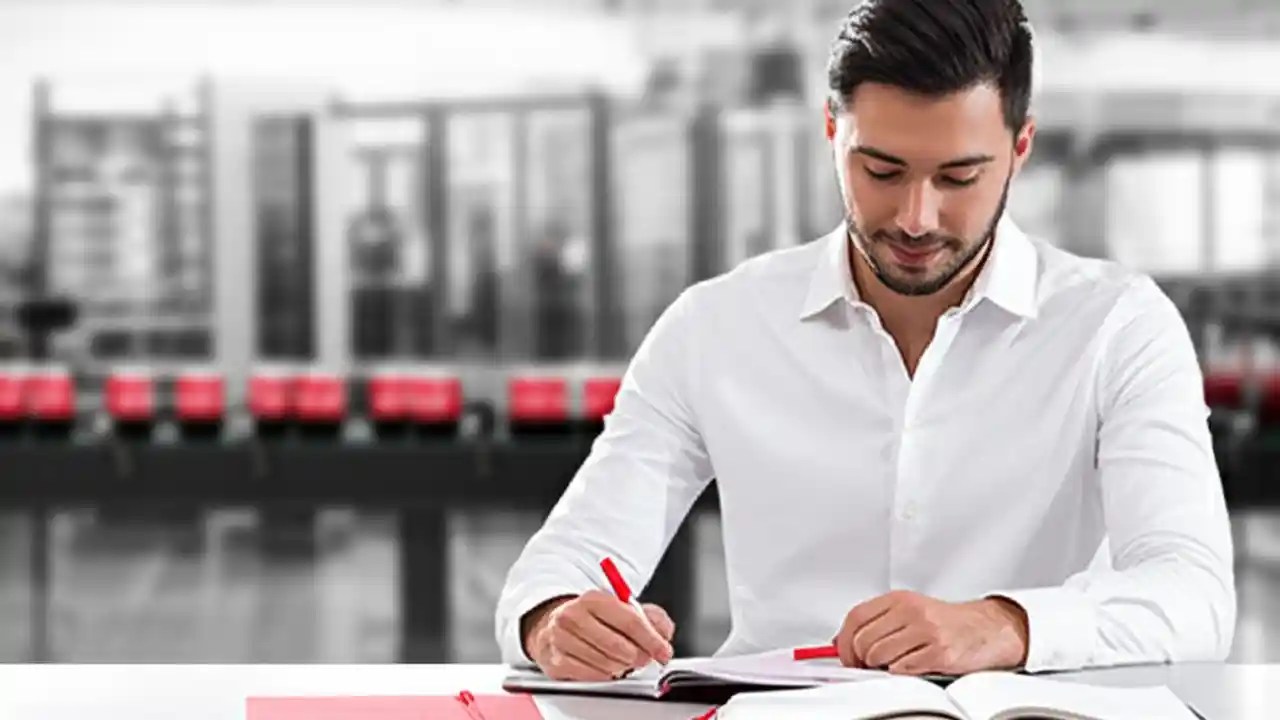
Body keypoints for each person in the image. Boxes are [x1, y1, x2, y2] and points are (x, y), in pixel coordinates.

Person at [496, 0, 1235, 681]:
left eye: (959, 176)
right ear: (831, 132)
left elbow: (1195, 596)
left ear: (1021, 147)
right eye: (881, 170)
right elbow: (555, 569)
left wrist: (1007, 625)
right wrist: (555, 620)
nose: (917, 217)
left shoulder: (1118, 326)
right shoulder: (713, 327)